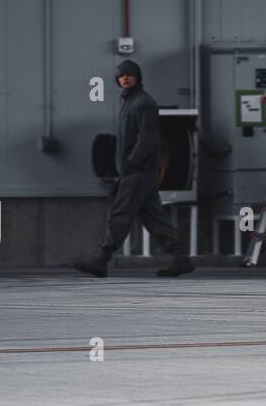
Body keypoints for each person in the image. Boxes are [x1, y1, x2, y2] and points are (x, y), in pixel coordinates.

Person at [75, 59, 193, 278]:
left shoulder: (143, 103)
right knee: (155, 219)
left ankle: (101, 259)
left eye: (129, 74)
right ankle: (181, 259)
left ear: (137, 77)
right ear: (117, 80)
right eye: (121, 75)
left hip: (137, 172)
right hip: (139, 172)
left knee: (120, 215)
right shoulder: (130, 103)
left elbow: (147, 138)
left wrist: (130, 163)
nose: (125, 78)